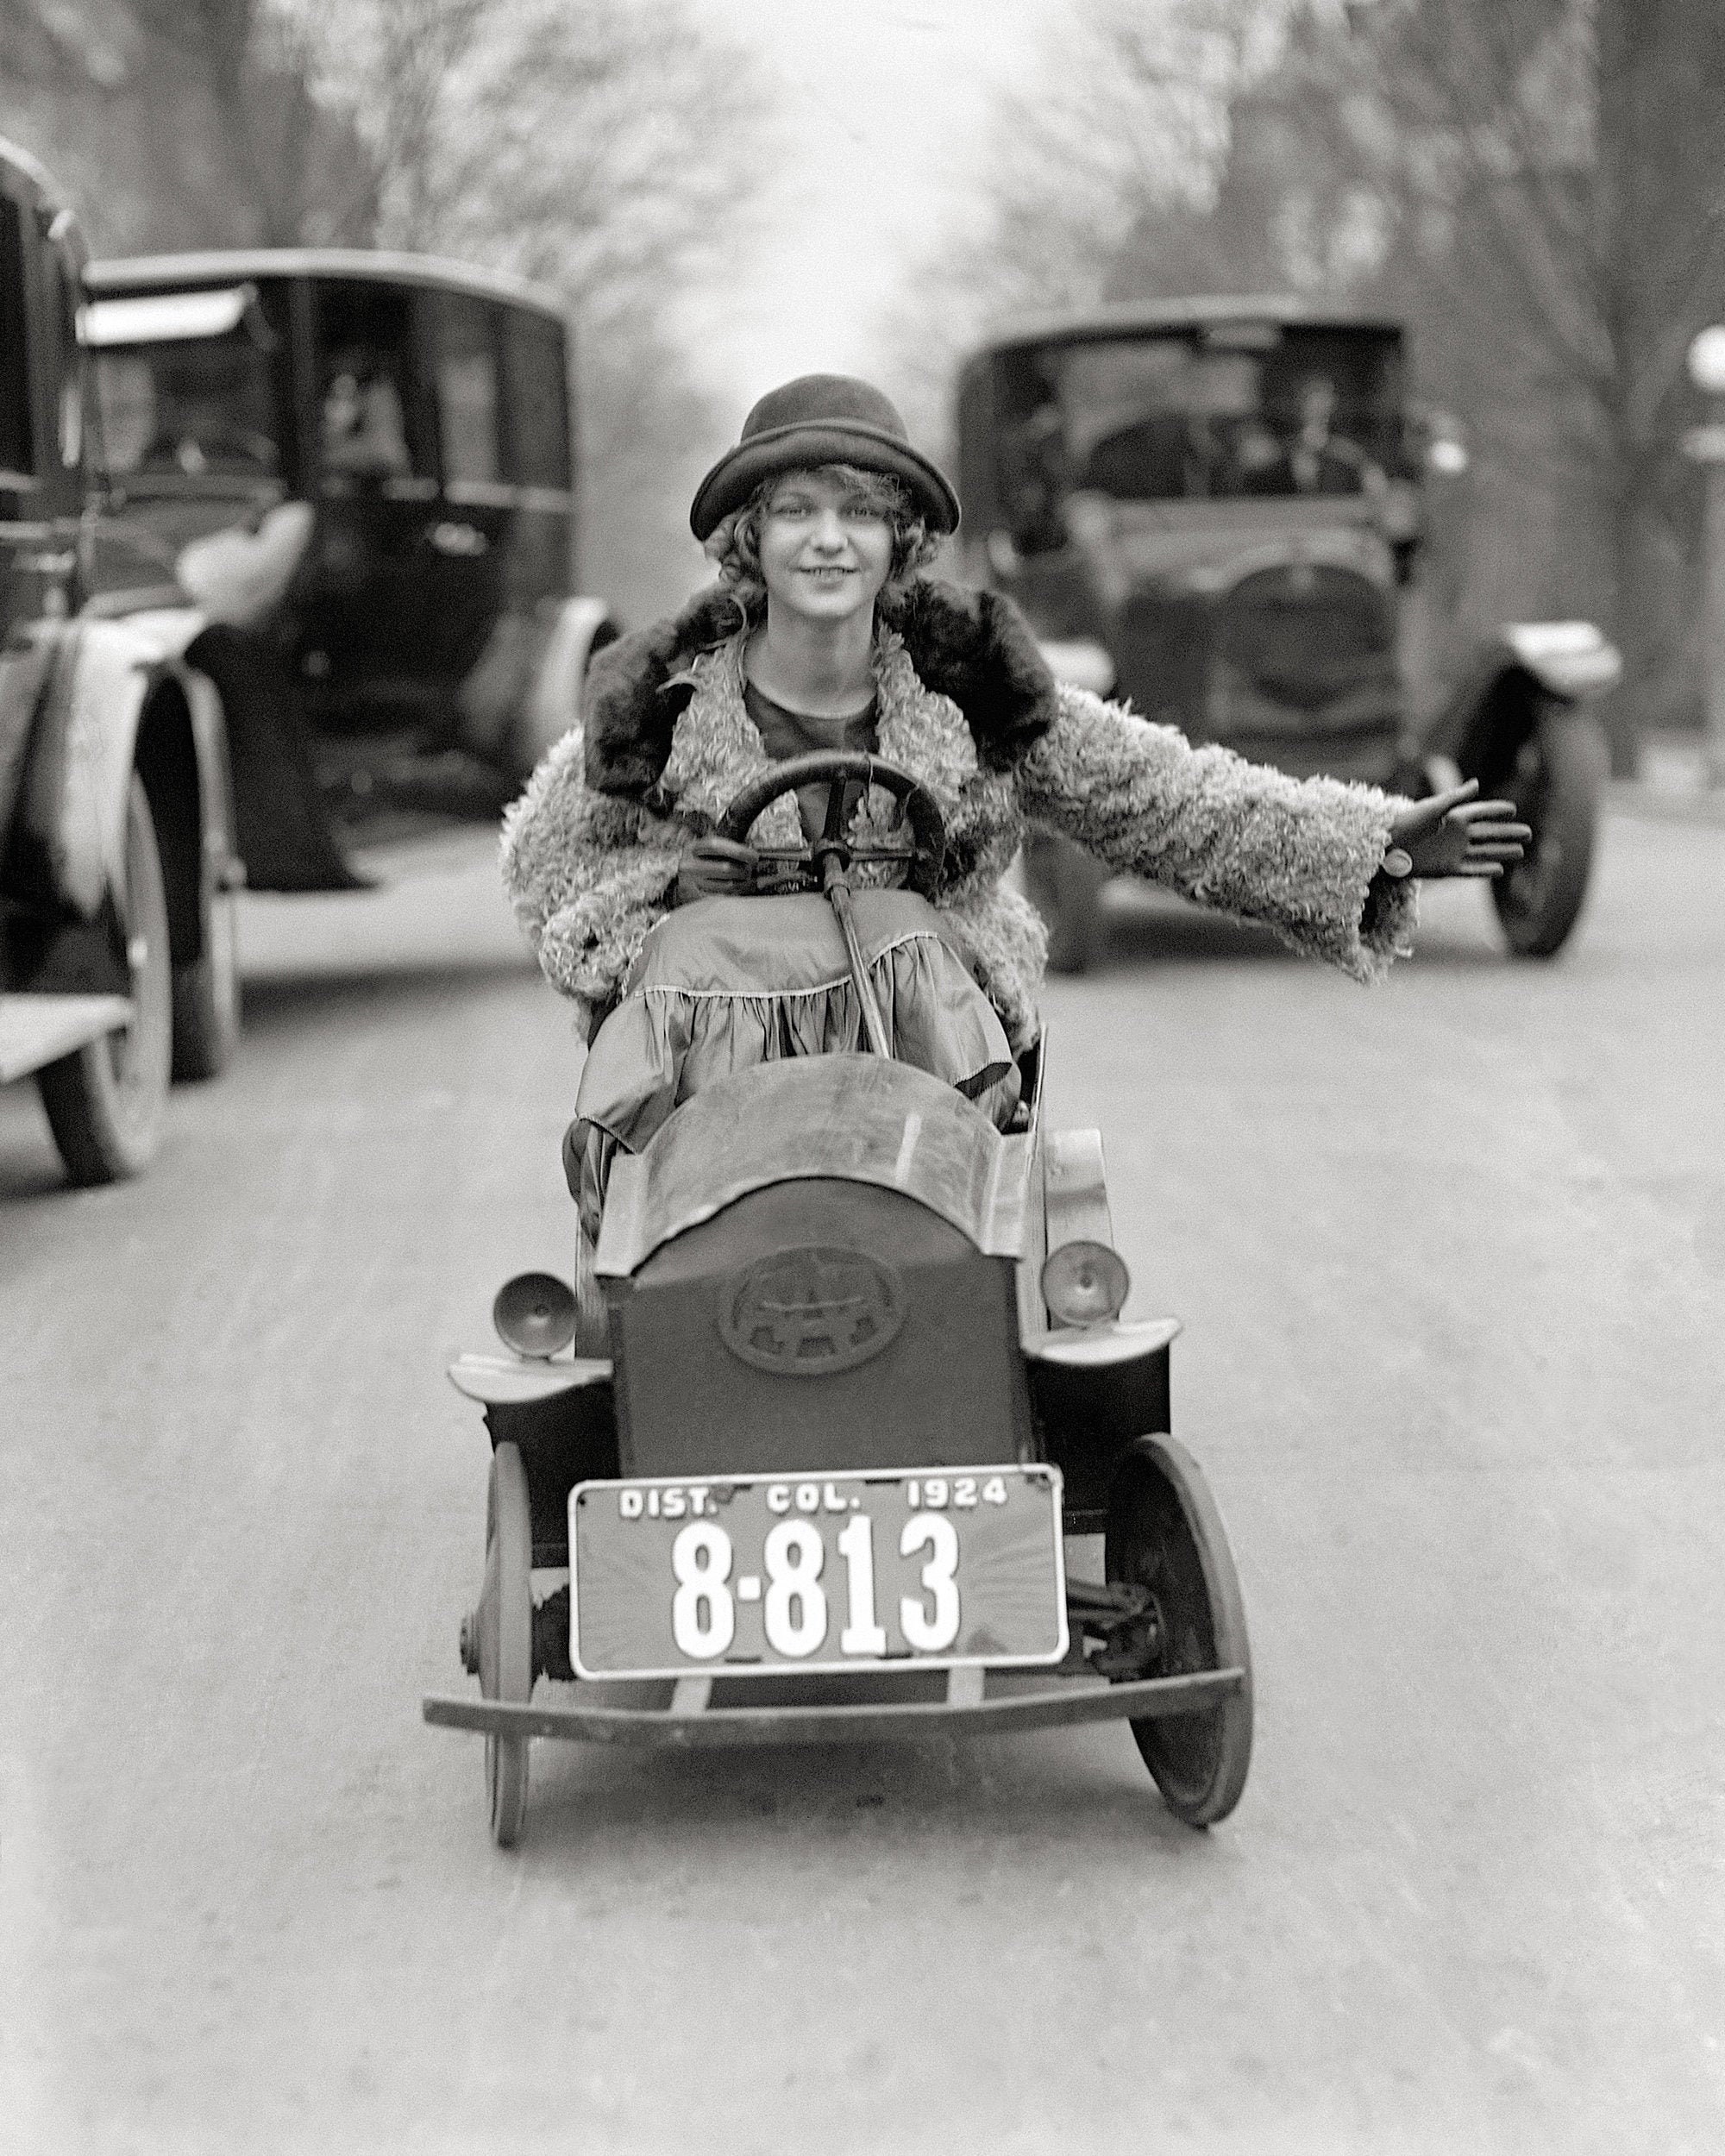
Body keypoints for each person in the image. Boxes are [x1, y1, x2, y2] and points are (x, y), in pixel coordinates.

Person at [501, 374, 1524, 1215]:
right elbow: (546, 868)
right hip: (713, 1081)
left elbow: (1164, 796)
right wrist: (670, 896)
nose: (827, 540)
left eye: (860, 512)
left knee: (925, 966)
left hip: (925, 1046)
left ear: (899, 539)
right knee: (679, 987)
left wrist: (1372, 845)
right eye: (796, 512)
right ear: (749, 539)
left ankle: (966, 1292)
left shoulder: (973, 681)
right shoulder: (653, 700)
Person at [1241, 373, 1385, 498]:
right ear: (1300, 403)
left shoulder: (1350, 454)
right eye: (1313, 398)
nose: (1320, 406)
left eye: (1326, 399)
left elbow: (1375, 488)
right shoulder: (1278, 452)